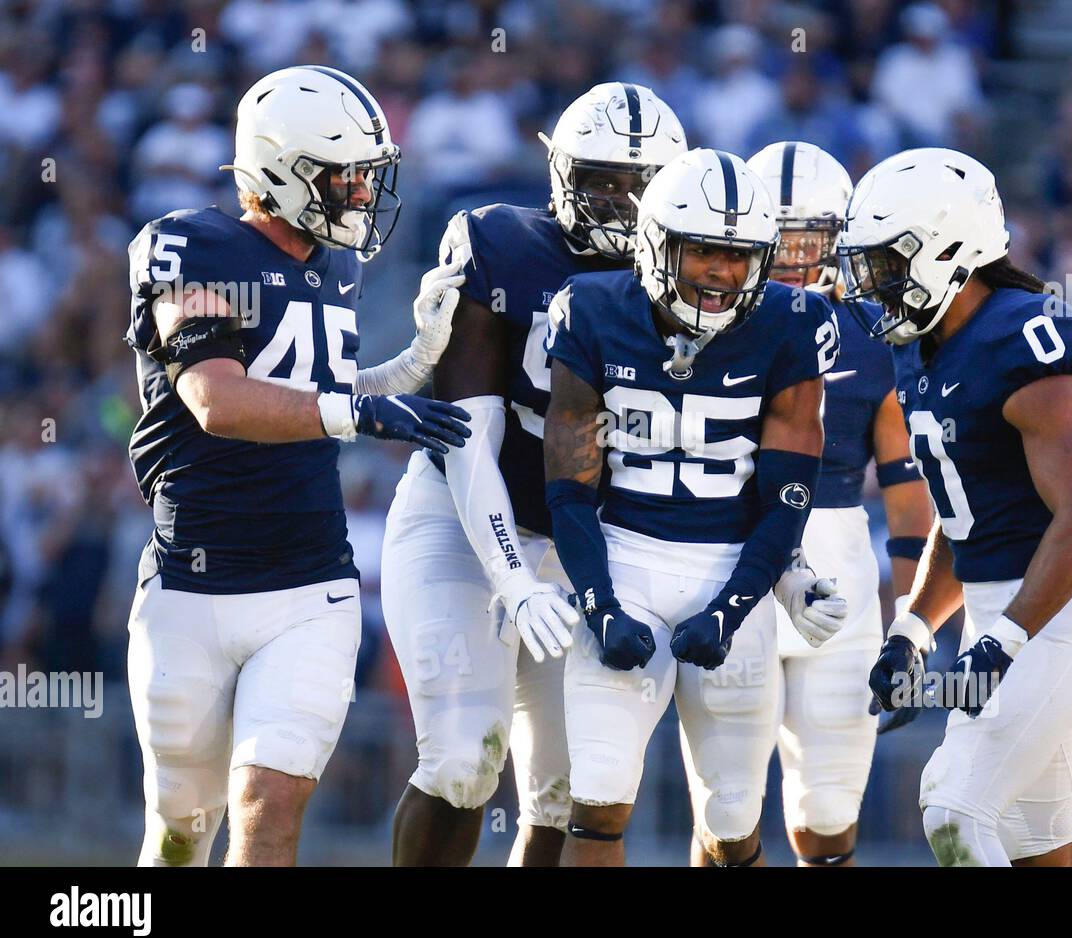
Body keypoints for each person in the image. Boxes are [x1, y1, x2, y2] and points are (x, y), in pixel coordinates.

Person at [125, 65, 471, 867]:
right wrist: (360, 411)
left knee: (268, 805)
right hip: (192, 581)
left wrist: (412, 364)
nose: (359, 192)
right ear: (282, 169)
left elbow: (323, 393)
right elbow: (217, 399)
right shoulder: (192, 244)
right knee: (181, 828)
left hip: (309, 587)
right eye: (343, 175)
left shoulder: (335, 264)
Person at [379, 83, 688, 866]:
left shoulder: (691, 283)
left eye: (640, 183)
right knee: (461, 760)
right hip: (463, 514)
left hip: (591, 536)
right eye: (602, 179)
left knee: (567, 788)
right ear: (560, 172)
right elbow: (465, 436)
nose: (620, 202)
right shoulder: (503, 244)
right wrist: (512, 577)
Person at [544, 147, 838, 866]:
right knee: (597, 797)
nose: (723, 273)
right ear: (654, 243)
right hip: (623, 556)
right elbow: (570, 490)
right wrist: (599, 603)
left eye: (740, 256)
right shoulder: (591, 309)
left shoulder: (793, 323)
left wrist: (734, 606)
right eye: (704, 250)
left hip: (729, 565)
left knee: (733, 822)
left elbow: (788, 500)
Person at [843, 147, 1072, 866]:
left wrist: (1004, 642)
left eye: (888, 263)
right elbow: (961, 511)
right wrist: (911, 627)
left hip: (1060, 612)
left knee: (952, 809)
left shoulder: (1025, 337)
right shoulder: (924, 347)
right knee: (1037, 848)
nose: (873, 284)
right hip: (999, 610)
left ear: (950, 252)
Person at [680, 141, 932, 867]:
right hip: (731, 561)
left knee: (826, 816)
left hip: (840, 572)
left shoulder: (876, 337)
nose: (792, 258)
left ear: (840, 239)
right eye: (779, 239)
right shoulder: (706, 328)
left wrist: (909, 625)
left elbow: (909, 497)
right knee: (725, 820)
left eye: (809, 240)